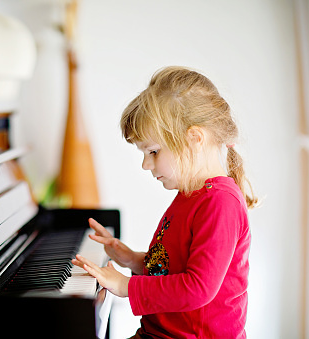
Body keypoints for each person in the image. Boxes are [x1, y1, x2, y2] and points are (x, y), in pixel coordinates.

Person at [72, 66, 259, 338]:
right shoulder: (190, 194)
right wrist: (133, 259)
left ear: (194, 139)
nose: (146, 164)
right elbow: (174, 266)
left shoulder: (220, 203)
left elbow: (198, 288)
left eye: (153, 151)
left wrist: (126, 286)